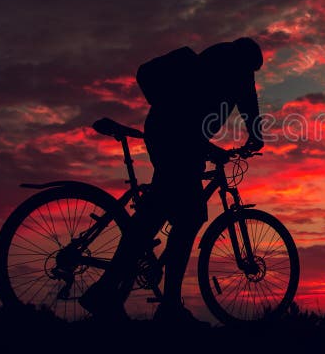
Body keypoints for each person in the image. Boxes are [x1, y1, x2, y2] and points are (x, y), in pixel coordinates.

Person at [79, 37, 265, 324]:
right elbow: (198, 115)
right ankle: (164, 306)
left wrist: (242, 138)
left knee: (157, 214)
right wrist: (250, 138)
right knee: (188, 216)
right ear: (245, 62)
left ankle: (110, 295)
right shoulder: (227, 65)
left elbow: (241, 105)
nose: (248, 77)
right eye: (250, 71)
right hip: (176, 137)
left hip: (172, 134)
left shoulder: (223, 61)